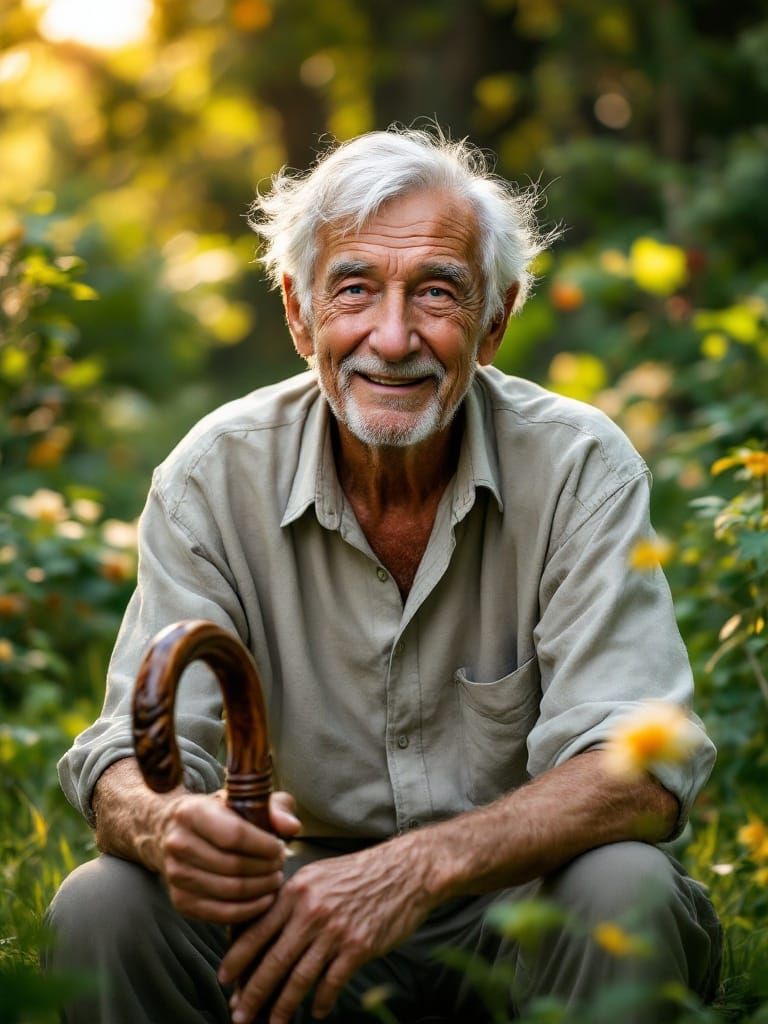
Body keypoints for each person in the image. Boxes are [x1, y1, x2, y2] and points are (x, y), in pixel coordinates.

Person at [48, 126, 721, 1024]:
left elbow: (637, 768)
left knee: (624, 886)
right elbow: (127, 762)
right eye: (355, 289)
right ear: (299, 314)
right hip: (289, 915)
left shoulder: (578, 468)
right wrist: (168, 825)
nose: (393, 337)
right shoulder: (212, 477)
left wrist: (414, 870)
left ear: (495, 321)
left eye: (436, 292)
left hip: (518, 903)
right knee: (103, 904)